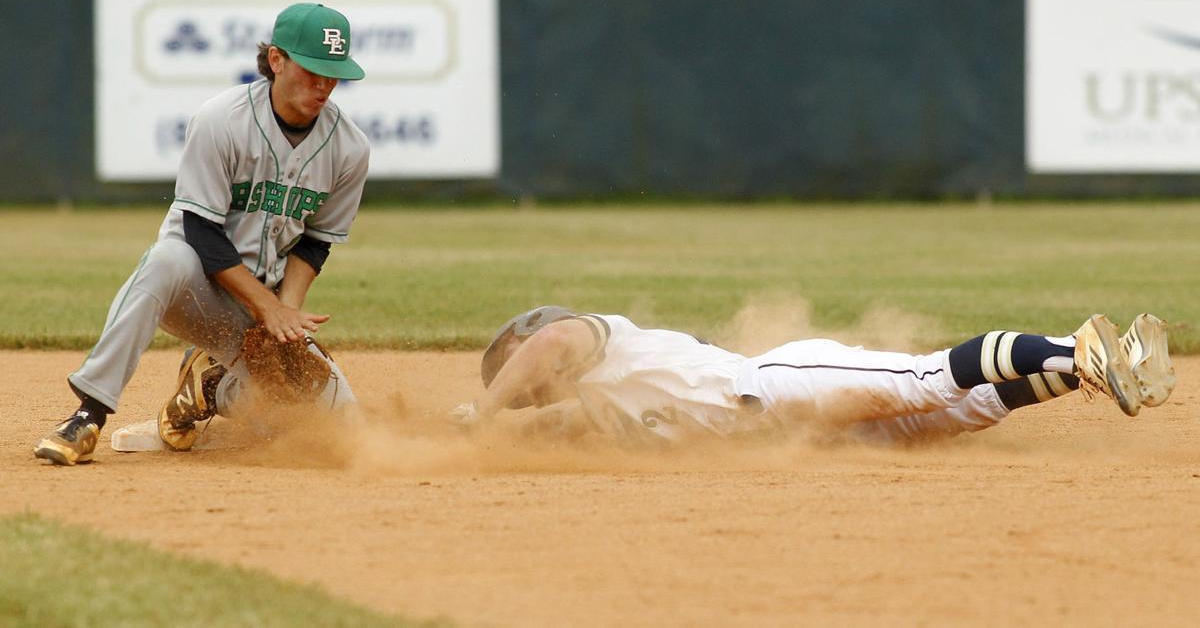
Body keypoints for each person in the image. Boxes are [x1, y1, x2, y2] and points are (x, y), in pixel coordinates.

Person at [34, 2, 371, 466]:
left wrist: (284, 318)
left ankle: (209, 388)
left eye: (334, 72)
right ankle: (88, 414)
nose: (325, 84)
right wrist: (268, 307)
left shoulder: (349, 147)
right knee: (166, 258)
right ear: (276, 60)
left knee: (330, 425)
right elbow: (201, 231)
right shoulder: (222, 121)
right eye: (313, 68)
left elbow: (316, 241)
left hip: (259, 311)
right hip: (193, 291)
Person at [447, 306, 1175, 446]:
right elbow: (548, 427)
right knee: (963, 412)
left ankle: (1078, 347)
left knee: (926, 379)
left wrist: (483, 413)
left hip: (777, 382)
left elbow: (550, 346)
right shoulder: (596, 407)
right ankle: (1089, 372)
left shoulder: (591, 340)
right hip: (802, 432)